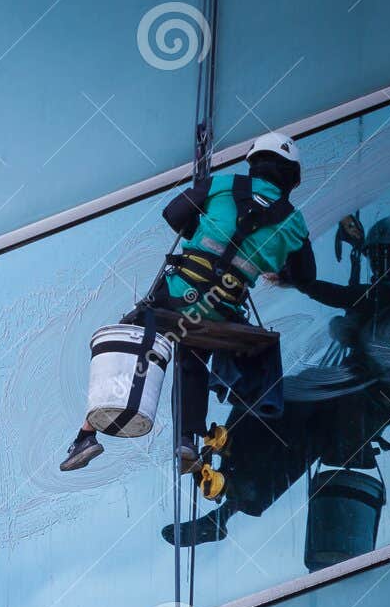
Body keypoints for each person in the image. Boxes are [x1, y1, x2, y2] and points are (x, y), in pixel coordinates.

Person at [161, 213, 390, 547]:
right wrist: (357, 242)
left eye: (381, 256)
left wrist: (299, 281)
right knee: (296, 447)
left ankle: (228, 496)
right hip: (365, 398)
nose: (376, 263)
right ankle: (225, 513)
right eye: (373, 257)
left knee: (265, 404)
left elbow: (349, 298)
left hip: (356, 389)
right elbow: (366, 303)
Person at [60, 132, 314, 473]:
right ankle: (187, 440)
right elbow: (306, 276)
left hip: (178, 295)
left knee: (130, 335)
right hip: (223, 311)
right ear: (292, 179)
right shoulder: (293, 222)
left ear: (254, 165)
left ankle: (87, 435)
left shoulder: (223, 184)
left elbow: (173, 213)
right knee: (192, 352)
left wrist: (206, 229)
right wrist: (277, 272)